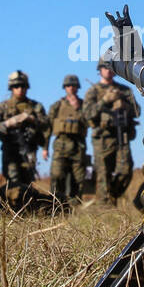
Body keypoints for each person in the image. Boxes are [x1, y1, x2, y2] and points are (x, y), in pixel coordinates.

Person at [83, 59, 140, 205]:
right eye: (104, 67)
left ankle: (112, 196)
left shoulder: (125, 90)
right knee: (103, 173)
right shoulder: (93, 91)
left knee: (126, 169)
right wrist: (105, 101)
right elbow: (87, 113)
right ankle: (104, 207)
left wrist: (123, 104)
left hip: (122, 134)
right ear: (100, 70)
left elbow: (137, 111)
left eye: (110, 67)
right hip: (103, 137)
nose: (108, 70)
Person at [0, 71, 49, 194]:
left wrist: (32, 119)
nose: (20, 89)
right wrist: (8, 123)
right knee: (13, 181)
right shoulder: (3, 106)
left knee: (27, 181)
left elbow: (46, 124)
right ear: (11, 88)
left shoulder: (35, 106)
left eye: (23, 86)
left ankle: (27, 210)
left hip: (29, 149)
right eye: (16, 86)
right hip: (10, 149)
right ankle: (13, 211)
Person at [45, 74, 89, 206]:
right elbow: (48, 127)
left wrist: (78, 109)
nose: (71, 88)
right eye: (68, 85)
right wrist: (45, 148)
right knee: (57, 175)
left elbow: (89, 122)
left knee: (78, 178)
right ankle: (55, 204)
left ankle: (74, 207)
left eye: (74, 85)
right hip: (60, 145)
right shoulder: (57, 106)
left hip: (78, 145)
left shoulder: (84, 105)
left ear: (77, 87)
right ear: (65, 87)